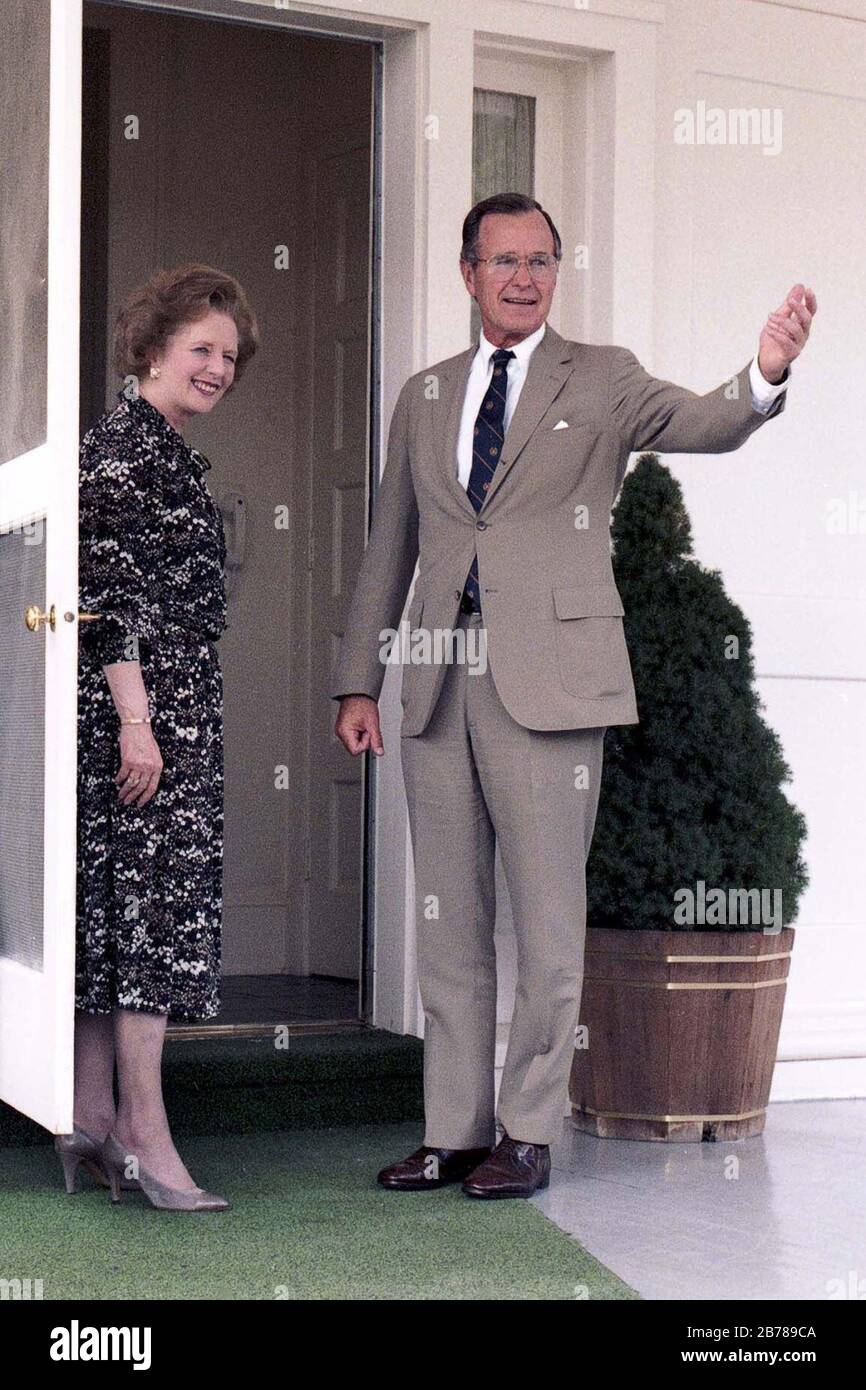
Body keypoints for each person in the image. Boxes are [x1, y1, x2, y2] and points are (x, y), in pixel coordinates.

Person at [333, 191, 815, 1198]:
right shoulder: (423, 396)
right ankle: (451, 1131)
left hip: (548, 683)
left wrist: (763, 371)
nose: (523, 276)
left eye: (541, 260)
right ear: (467, 274)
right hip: (432, 685)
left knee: (547, 920)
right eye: (503, 260)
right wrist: (357, 681)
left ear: (556, 272)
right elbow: (390, 544)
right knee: (448, 922)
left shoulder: (602, 379)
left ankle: (526, 1131)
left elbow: (709, 421)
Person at [58, 264, 258, 1211]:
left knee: (124, 911)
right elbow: (106, 597)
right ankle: (141, 1127)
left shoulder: (161, 448)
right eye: (199, 350)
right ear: (151, 351)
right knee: (149, 918)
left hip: (170, 702)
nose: (217, 368)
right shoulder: (125, 452)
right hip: (145, 710)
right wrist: (138, 724)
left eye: (228, 354)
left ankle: (94, 1118)